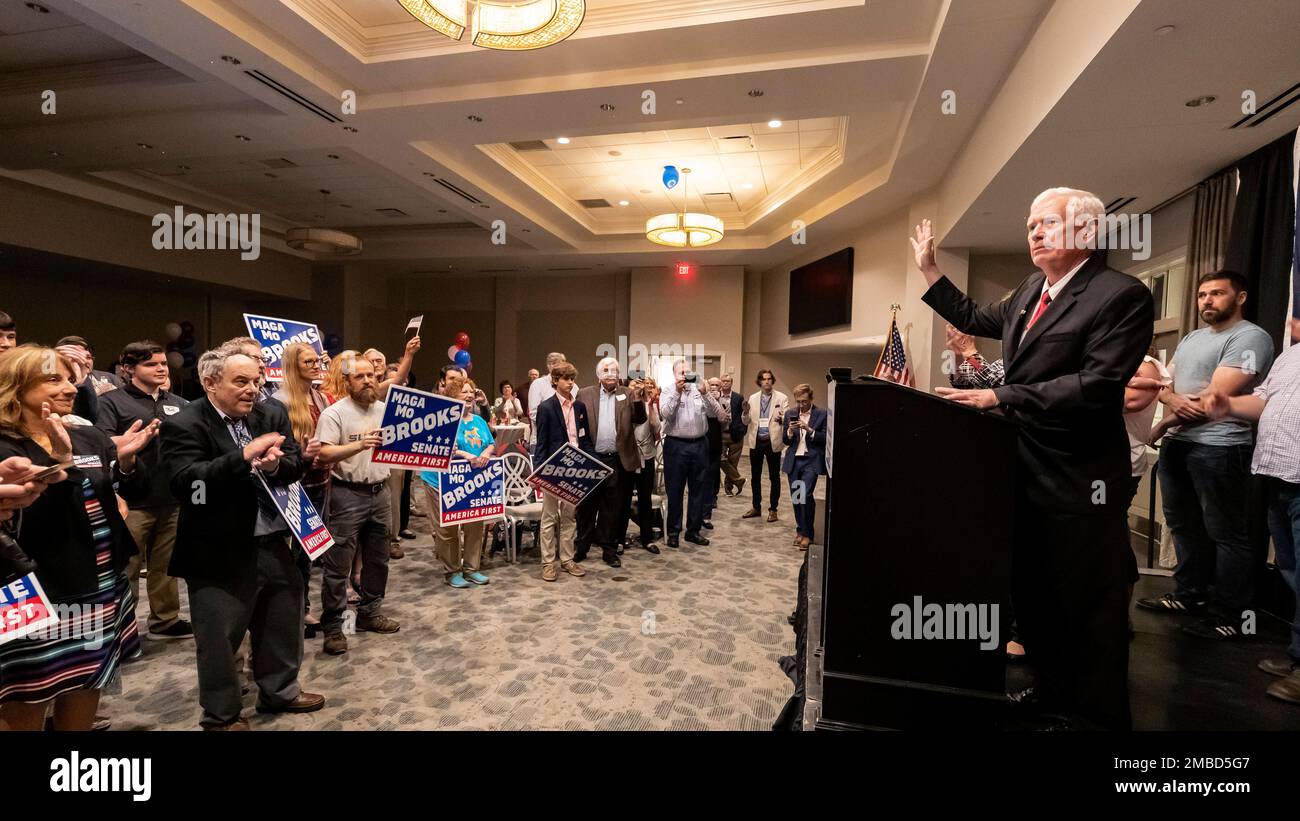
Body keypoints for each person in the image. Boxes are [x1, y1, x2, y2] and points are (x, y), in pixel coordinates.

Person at [914, 186, 1154, 730]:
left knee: (1085, 610)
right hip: (1023, 469)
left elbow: (1097, 384)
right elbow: (973, 314)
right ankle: (1053, 694)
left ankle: (1094, 717)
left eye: (1046, 223)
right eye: (1030, 226)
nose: (1034, 233)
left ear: (1087, 232)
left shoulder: (1120, 295)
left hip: (1079, 476)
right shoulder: (1029, 290)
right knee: (1038, 601)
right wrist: (930, 271)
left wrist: (1002, 396)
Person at [160, 347, 324, 730]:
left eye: (257, 381)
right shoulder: (185, 423)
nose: (253, 389)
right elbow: (187, 484)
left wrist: (276, 465)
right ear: (211, 383)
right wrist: (243, 457)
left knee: (282, 622)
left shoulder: (271, 413)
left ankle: (280, 692)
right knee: (219, 640)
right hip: (217, 550)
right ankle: (222, 715)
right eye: (241, 382)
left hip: (273, 541)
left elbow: (296, 462)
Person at [0, 345, 155, 731]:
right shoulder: (5, 446)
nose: (70, 387)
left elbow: (115, 490)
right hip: (36, 591)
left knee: (87, 682)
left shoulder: (86, 436)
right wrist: (60, 465)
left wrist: (126, 467)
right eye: (54, 379)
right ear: (15, 387)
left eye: (71, 378)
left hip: (99, 586)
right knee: (28, 694)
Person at [1137, 271, 1273, 640]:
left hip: (1220, 446)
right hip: (1180, 445)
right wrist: (1170, 405)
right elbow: (1167, 389)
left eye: (1216, 293)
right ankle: (1190, 595)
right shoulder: (1193, 338)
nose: (1206, 301)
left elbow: (1213, 400)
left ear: (1240, 297)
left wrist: (1164, 422)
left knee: (1226, 533)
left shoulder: (1250, 337)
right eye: (1201, 295)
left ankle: (1232, 615)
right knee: (1183, 525)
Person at [1203, 340, 1300, 703]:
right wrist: (1227, 404)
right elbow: (1262, 401)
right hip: (1280, 476)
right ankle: (1297, 655)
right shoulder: (1292, 355)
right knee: (1291, 570)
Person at [94, 340, 193, 640]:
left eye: (163, 363)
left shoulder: (179, 402)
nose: (161, 368)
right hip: (131, 498)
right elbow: (102, 445)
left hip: (172, 496)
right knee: (127, 566)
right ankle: (121, 626)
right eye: (151, 364)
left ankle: (165, 620)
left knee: (166, 565)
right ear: (128, 369)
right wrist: (128, 443)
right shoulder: (111, 402)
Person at [315, 352, 401, 656]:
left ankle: (369, 613)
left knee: (378, 560)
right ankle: (334, 626)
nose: (368, 381)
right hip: (346, 493)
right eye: (360, 376)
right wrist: (359, 445)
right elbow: (323, 454)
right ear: (348, 381)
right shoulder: (335, 413)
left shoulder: (386, 410)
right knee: (337, 564)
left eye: (372, 376)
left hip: (380, 492)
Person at [269, 342, 329, 631]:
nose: (317, 365)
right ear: (294, 366)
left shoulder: (319, 397)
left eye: (317, 360)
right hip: (293, 487)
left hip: (321, 482)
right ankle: (290, 611)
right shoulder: (279, 401)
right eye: (309, 362)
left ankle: (301, 607)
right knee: (291, 554)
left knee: (307, 553)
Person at [418, 374, 495, 588]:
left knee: (474, 524)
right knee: (448, 528)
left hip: (472, 481)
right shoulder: (442, 419)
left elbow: (490, 442)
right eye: (465, 393)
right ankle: (452, 571)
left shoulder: (478, 419)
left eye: (471, 392)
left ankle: (472, 568)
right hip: (439, 481)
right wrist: (465, 454)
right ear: (453, 396)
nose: (470, 396)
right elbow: (441, 448)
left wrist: (486, 453)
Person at [574, 358, 647, 567]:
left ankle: (609, 549)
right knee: (587, 507)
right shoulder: (584, 394)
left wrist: (638, 399)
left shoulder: (628, 393)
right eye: (606, 371)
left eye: (614, 371)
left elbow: (640, 419)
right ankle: (582, 547)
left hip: (617, 459)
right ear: (599, 375)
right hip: (591, 459)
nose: (611, 374)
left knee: (612, 508)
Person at [534, 361, 589, 581]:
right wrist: (539, 473)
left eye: (572, 378)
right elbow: (541, 443)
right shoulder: (546, 407)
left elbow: (584, 438)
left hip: (575, 469)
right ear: (555, 381)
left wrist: (589, 463)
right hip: (553, 468)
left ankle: (567, 559)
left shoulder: (580, 407)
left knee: (570, 517)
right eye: (566, 378)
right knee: (549, 517)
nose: (570, 382)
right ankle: (548, 562)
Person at [659, 359, 721, 548]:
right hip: (676, 446)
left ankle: (693, 531)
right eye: (681, 373)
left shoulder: (700, 389)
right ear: (675, 375)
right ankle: (674, 532)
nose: (685, 376)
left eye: (688, 372)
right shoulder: (668, 390)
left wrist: (706, 394)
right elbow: (666, 414)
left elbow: (718, 414)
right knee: (675, 490)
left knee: (698, 489)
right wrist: (678, 393)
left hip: (700, 444)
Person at [780, 383, 827, 550]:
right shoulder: (790, 414)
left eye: (804, 401)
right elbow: (786, 441)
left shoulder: (821, 414)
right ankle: (800, 530)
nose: (801, 405)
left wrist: (809, 429)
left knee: (805, 494)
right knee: (797, 497)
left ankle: (808, 534)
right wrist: (790, 432)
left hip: (811, 460)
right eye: (798, 401)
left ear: (811, 398)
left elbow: (824, 439)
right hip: (794, 460)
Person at [742, 369, 787, 523]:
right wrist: (745, 413)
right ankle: (756, 507)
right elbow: (746, 422)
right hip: (757, 441)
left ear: (772, 381)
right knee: (755, 477)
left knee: (774, 477)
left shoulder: (782, 397)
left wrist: (782, 418)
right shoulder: (753, 398)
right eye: (764, 379)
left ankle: (773, 509)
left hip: (773, 442)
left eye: (769, 379)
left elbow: (785, 418)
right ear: (759, 381)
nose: (767, 381)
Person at [624, 377, 661, 554]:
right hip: (628, 457)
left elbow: (656, 428)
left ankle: (646, 538)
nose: (636, 389)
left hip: (646, 456)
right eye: (632, 386)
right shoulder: (622, 407)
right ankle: (619, 539)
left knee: (645, 499)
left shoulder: (648, 405)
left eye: (639, 386)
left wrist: (652, 407)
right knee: (623, 500)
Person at [944, 324, 1006, 389]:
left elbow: (995, 385)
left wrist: (969, 353)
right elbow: (963, 385)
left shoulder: (1015, 365)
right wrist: (958, 360)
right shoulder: (1002, 363)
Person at [55, 336, 122, 395]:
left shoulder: (110, 379)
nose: (84, 362)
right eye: (76, 358)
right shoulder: (52, 380)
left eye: (88, 357)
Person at [528, 352, 566, 454]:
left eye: (562, 364)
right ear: (549, 366)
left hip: (566, 443)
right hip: (542, 441)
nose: (560, 367)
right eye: (554, 364)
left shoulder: (573, 386)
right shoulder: (538, 384)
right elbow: (534, 414)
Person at [702, 376, 725, 529]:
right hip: (701, 442)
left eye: (717, 385)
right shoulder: (701, 398)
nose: (714, 387)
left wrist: (716, 400)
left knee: (711, 477)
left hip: (715, 443)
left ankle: (706, 514)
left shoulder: (723, 401)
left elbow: (723, 418)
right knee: (700, 480)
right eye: (711, 384)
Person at [718, 374, 746, 497]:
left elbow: (743, 415)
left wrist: (743, 429)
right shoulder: (716, 397)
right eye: (723, 381)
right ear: (720, 383)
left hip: (736, 434)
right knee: (721, 459)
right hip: (720, 434)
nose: (725, 383)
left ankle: (729, 488)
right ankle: (738, 480)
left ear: (731, 383)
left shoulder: (738, 397)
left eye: (728, 381)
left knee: (733, 463)